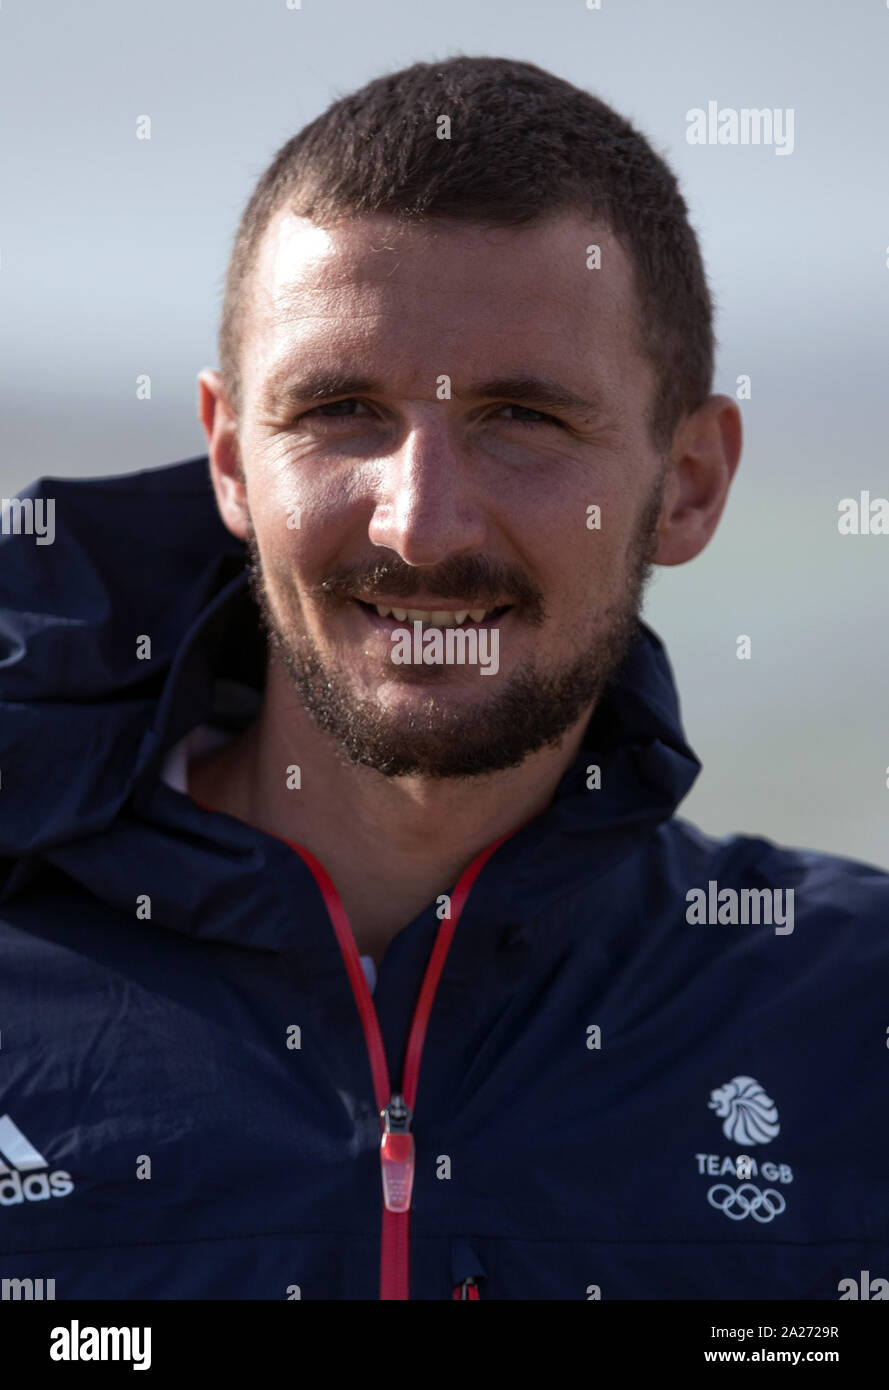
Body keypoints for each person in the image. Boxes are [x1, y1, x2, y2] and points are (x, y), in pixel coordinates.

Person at [0, 56, 886, 1302]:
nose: (419, 525)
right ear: (231, 460)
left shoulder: (850, 1019)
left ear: (688, 480)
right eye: (341, 410)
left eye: (521, 416)